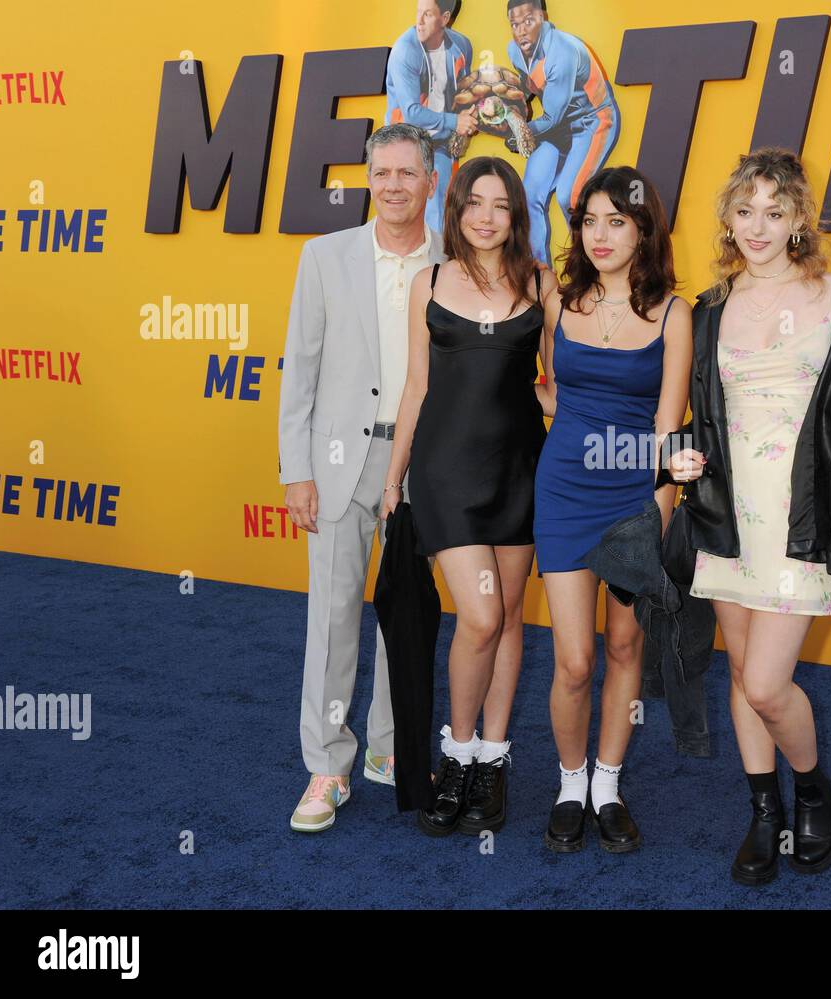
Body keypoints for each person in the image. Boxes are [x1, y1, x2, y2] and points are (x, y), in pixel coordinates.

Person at [668, 147, 831, 883]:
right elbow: (693, 411)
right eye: (744, 210)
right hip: (726, 514)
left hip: (798, 519)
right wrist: (682, 458)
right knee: (740, 676)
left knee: (767, 683)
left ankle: (812, 785)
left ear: (800, 219)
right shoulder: (708, 307)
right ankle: (765, 812)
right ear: (727, 218)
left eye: (774, 211)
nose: (758, 226)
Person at [279, 123, 447, 832]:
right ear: (368, 178)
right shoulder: (324, 257)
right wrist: (297, 470)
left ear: (431, 181)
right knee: (334, 613)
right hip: (339, 460)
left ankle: (386, 748)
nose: (395, 186)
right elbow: (302, 370)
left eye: (409, 173)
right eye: (383, 173)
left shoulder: (457, 262)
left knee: (404, 610)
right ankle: (326, 763)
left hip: (425, 460)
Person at [382, 156, 551, 837]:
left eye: (500, 205)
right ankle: (456, 753)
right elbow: (416, 386)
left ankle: (492, 758)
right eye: (474, 202)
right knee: (480, 616)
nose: (486, 215)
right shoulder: (427, 281)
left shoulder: (542, 284)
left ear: (516, 215)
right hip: (446, 474)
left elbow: (557, 383)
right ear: (456, 210)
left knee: (509, 617)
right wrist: (394, 480)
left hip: (520, 470)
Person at [533, 166, 692, 852]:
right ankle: (570, 781)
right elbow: (552, 392)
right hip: (565, 489)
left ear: (643, 229)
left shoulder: (673, 313)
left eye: (616, 222)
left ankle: (607, 781)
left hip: (634, 496)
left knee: (625, 642)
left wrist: (657, 512)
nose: (600, 236)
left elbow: (668, 425)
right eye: (589, 221)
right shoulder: (558, 303)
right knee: (573, 661)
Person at [506, 0, 621, 265]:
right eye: (515, 24)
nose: (521, 30)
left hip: (590, 123)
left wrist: (521, 132)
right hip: (557, 130)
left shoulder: (563, 52)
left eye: (528, 21)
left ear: (543, 18)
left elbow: (551, 118)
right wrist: (507, 111)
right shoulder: (514, 50)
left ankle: (588, 270)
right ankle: (538, 273)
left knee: (569, 196)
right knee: (528, 195)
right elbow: (530, 87)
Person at [385, 0, 478, 236]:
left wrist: (474, 111)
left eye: (427, 14)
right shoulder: (406, 50)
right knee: (414, 217)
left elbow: (463, 93)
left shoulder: (462, 46)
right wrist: (455, 121)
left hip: (442, 146)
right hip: (407, 145)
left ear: (445, 18)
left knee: (444, 214)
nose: (419, 21)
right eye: (418, 12)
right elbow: (412, 113)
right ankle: (424, 271)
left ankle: (440, 269)